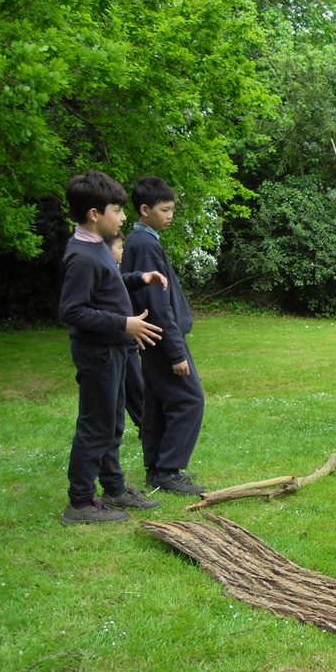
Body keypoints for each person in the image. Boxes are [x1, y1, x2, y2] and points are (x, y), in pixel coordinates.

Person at [59, 171, 166, 524]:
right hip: (99, 354)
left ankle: (115, 489)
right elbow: (72, 310)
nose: (122, 218)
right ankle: (80, 502)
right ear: (94, 214)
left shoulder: (96, 248)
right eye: (117, 211)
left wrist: (139, 277)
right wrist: (125, 323)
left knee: (113, 422)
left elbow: (107, 284)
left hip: (116, 350)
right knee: (96, 425)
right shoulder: (82, 256)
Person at [121, 176, 206, 494]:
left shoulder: (141, 241)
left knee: (155, 402)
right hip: (160, 337)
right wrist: (176, 352)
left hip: (152, 337)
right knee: (190, 399)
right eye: (165, 209)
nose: (170, 215)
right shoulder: (145, 245)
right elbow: (157, 302)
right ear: (145, 210)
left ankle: (156, 468)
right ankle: (169, 469)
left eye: (172, 209)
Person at [106, 231, 145, 433]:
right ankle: (147, 426)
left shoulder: (115, 270)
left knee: (131, 385)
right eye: (119, 247)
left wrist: (142, 278)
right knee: (134, 386)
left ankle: (145, 425)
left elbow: (125, 280)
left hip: (125, 339)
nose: (123, 252)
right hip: (117, 340)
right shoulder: (102, 269)